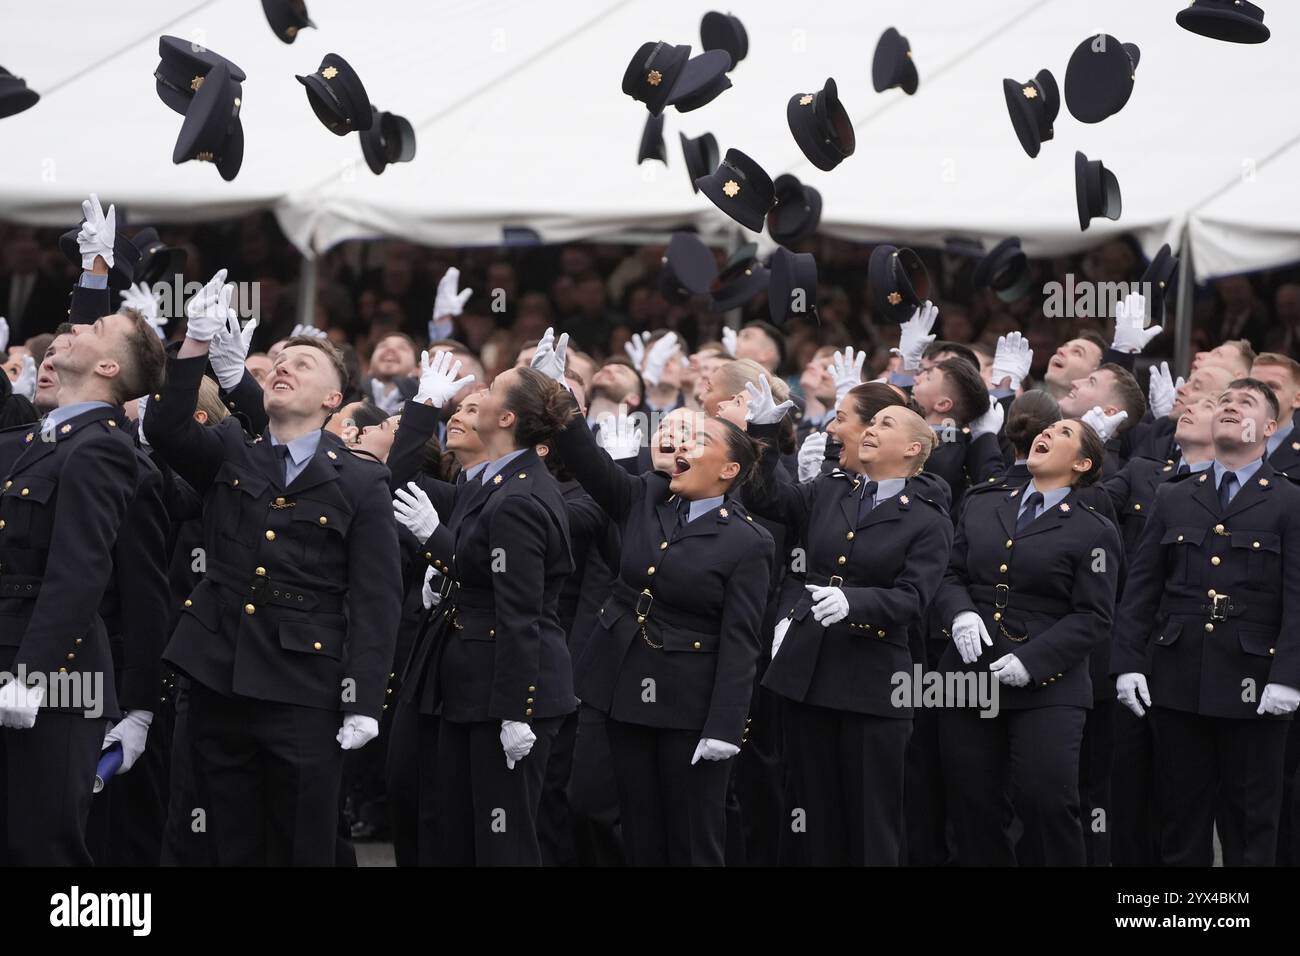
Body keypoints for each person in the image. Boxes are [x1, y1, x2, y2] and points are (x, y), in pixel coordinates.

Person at [144, 269, 401, 865]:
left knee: (300, 840)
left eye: (302, 365)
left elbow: (376, 597)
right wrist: (194, 343)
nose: (283, 367)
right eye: (279, 362)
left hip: (304, 684)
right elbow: (164, 427)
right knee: (215, 839)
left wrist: (363, 699)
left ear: (333, 399)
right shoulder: (233, 447)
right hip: (217, 672)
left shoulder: (361, 479)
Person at [539, 326, 775, 865]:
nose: (683, 446)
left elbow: (742, 640)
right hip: (622, 685)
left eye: (699, 442)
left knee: (690, 836)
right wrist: (559, 397)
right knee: (637, 826)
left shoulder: (748, 541)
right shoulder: (646, 493)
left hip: (688, 701)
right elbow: (589, 462)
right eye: (682, 440)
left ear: (730, 470)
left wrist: (726, 725)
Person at [747, 393, 952, 864]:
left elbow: (914, 598)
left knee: (869, 821)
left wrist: (854, 601)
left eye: (887, 424)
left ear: (913, 449)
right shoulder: (832, 488)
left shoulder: (928, 518)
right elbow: (766, 499)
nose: (872, 429)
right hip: (810, 669)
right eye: (872, 422)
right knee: (812, 816)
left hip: (872, 681)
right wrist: (761, 434)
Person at [399, 349, 577, 866]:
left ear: (507, 419)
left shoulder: (518, 496)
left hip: (505, 690)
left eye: (492, 391)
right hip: (474, 683)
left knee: (502, 844)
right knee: (459, 835)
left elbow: (519, 612)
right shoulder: (497, 481)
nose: (477, 394)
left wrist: (516, 712)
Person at [0, 306, 164, 864]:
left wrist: (32, 674)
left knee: (42, 845)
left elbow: (79, 571)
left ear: (110, 367)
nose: (72, 330)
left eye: (94, 329)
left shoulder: (102, 447)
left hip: (56, 678)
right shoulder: (32, 442)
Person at [1112, 379, 1300, 866]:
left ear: (1270, 427)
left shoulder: (1289, 501)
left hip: (1255, 683)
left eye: (1246, 403)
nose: (1231, 408)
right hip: (1178, 679)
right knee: (1180, 822)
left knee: (1251, 827)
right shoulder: (1174, 496)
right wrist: (1129, 663)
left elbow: (1297, 598)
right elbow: (1142, 589)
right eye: (1225, 402)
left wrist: (1289, 676)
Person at [935, 417, 1120, 865]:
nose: (1047, 434)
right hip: (970, 673)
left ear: (1082, 464)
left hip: (1049, 684)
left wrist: (1034, 661)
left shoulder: (1094, 529)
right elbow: (949, 573)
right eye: (1047, 429)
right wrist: (959, 612)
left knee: (1046, 799)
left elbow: (1094, 616)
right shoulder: (983, 502)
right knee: (973, 804)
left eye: (1063, 433)